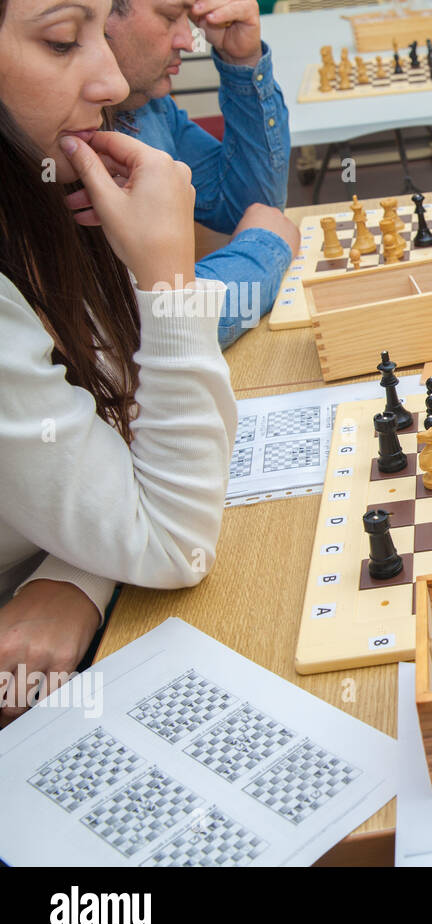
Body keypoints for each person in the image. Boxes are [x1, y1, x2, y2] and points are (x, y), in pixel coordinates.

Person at [0, 0, 236, 724]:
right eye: (65, 40)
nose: (109, 82)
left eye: (101, 31)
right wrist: (168, 280)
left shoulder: (40, 195)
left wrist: (71, 575)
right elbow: (174, 542)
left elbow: (126, 430)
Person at [107, 0, 298, 348]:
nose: (189, 40)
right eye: (169, 18)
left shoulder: (146, 104)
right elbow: (152, 327)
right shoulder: (54, 141)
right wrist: (263, 251)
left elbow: (252, 207)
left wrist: (242, 61)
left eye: (189, 18)